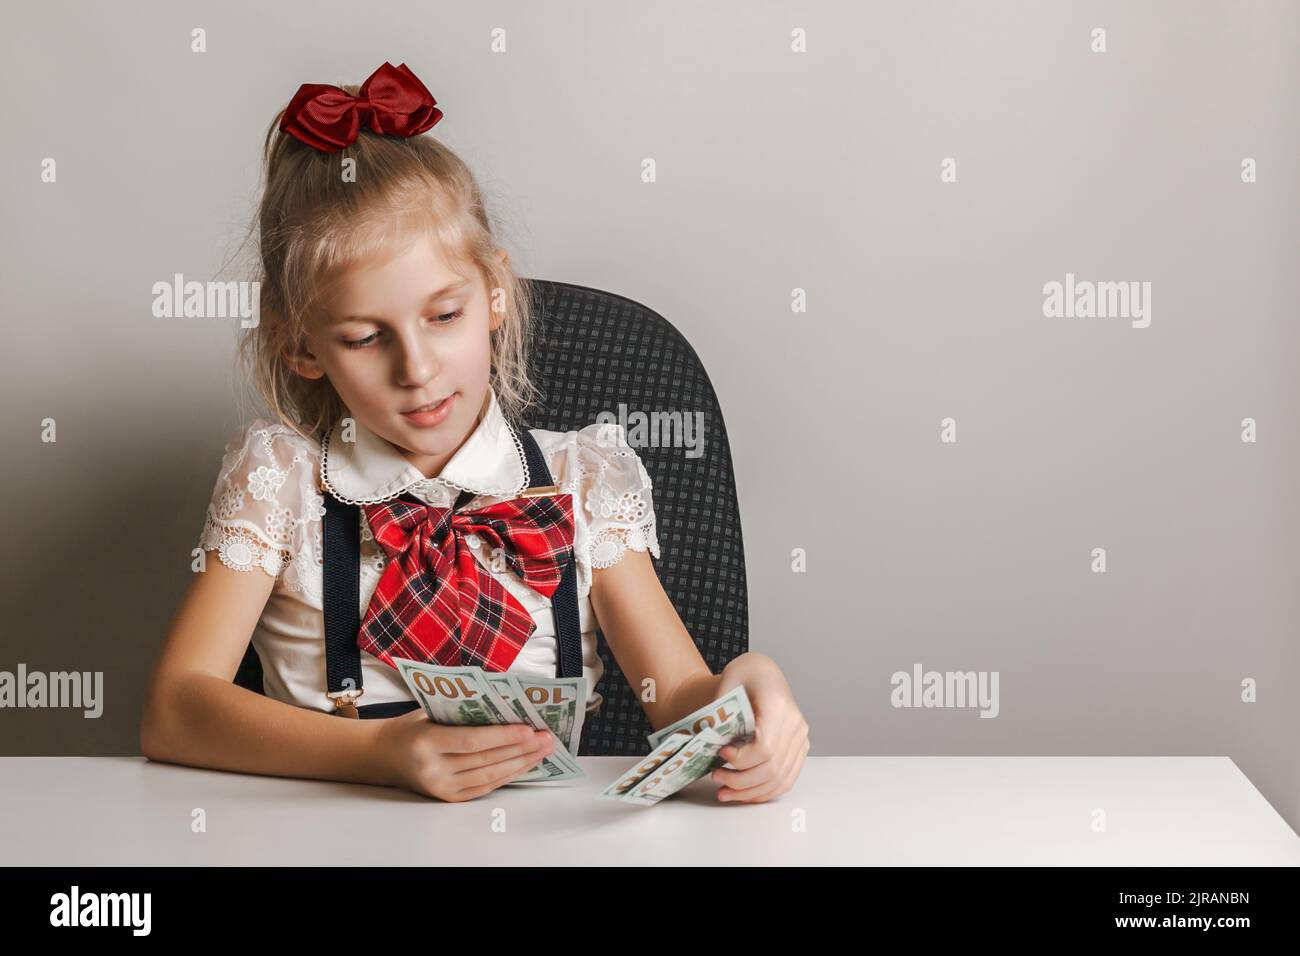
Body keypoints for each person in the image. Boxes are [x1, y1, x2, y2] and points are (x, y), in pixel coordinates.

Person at [140, 62, 809, 804]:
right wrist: (382, 753)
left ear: (495, 294)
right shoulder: (281, 479)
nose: (417, 369)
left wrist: (753, 690)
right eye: (365, 338)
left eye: (444, 316)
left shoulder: (584, 477)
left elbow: (681, 695)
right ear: (302, 348)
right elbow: (175, 711)